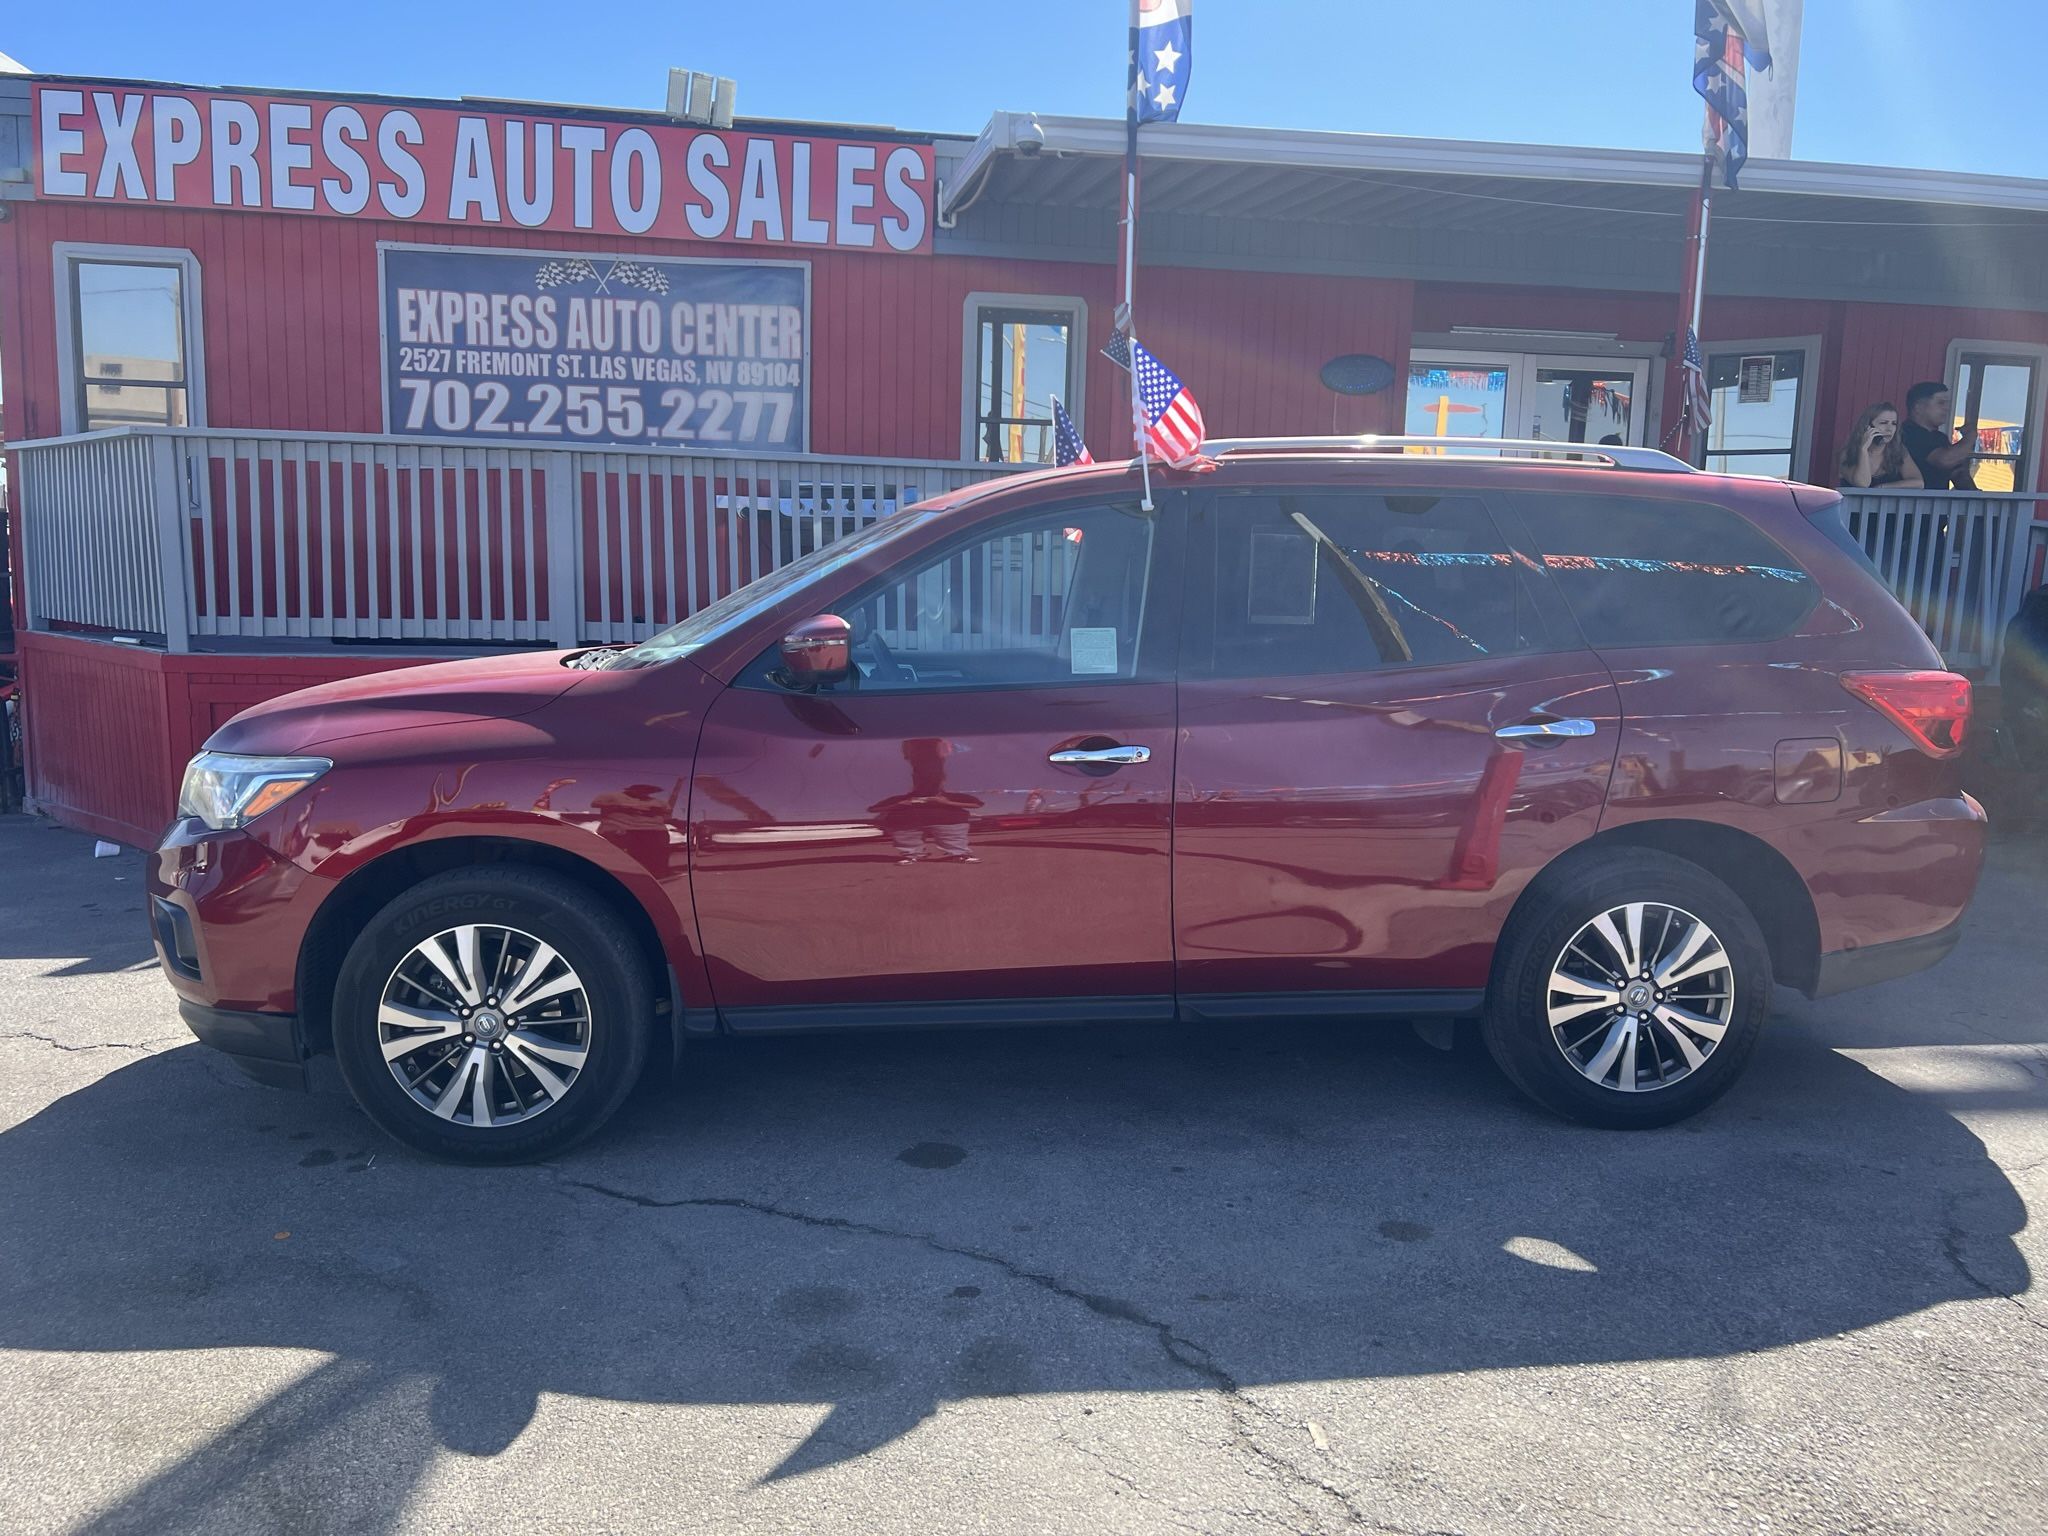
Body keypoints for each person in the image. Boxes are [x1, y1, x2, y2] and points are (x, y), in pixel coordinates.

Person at [1901, 380, 1978, 491]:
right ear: (1918, 407)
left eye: (1947, 404)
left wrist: (1976, 496)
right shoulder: (1907, 434)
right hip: (1910, 503)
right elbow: (1944, 460)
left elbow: (1957, 473)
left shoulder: (1940, 438)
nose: (1946, 408)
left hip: (1937, 505)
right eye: (1941, 403)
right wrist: (1970, 438)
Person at [1838, 402, 1923, 489]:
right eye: (1883, 423)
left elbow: (1919, 483)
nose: (1889, 429)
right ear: (1868, 426)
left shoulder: (1898, 451)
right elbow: (1862, 484)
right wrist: (1863, 450)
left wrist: (1883, 487)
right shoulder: (1848, 453)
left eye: (1894, 424)